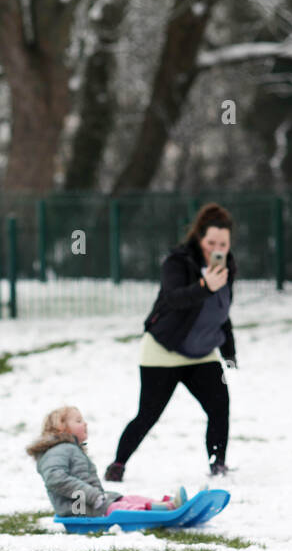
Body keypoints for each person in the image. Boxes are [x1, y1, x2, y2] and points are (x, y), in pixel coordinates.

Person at [105, 203, 237, 483]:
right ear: (199, 238)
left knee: (219, 405)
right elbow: (173, 298)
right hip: (163, 349)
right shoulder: (177, 262)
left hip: (201, 352)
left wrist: (229, 353)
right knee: (149, 414)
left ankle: (218, 464)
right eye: (211, 241)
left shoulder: (227, 267)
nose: (217, 248)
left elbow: (221, 312)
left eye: (223, 243)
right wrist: (204, 286)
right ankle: (117, 465)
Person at [28, 406, 183, 519]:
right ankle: (162, 512)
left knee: (125, 499)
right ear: (62, 427)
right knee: (120, 509)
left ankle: (167, 504)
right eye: (78, 421)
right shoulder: (59, 450)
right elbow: (56, 479)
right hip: (78, 508)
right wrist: (93, 496)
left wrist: (97, 496)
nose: (85, 424)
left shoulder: (68, 449)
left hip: (89, 502)